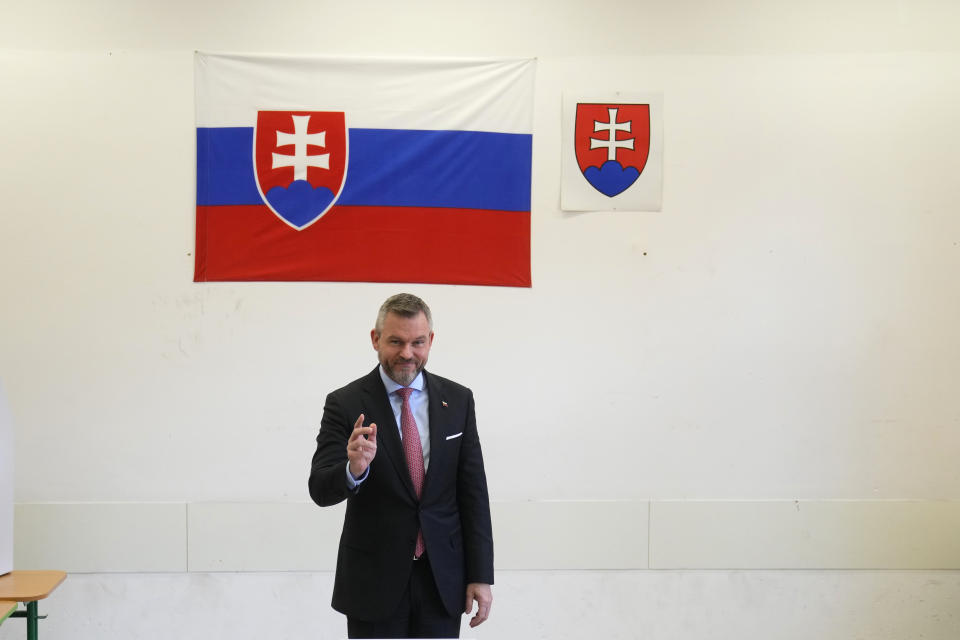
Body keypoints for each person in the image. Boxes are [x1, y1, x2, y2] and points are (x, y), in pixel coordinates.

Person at [309, 293, 494, 639]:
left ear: (430, 341)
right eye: (395, 341)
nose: (407, 353)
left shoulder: (458, 400)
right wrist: (353, 469)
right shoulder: (345, 403)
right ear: (375, 339)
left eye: (417, 342)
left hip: (442, 580)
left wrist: (480, 575)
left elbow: (473, 494)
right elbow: (319, 488)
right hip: (373, 582)